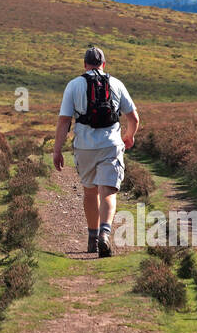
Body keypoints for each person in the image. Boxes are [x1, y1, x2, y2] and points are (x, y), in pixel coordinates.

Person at [51, 46, 140, 257]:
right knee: (107, 191)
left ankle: (92, 238)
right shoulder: (116, 83)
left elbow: (64, 121)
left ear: (85, 65)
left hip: (84, 147)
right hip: (110, 144)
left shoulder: (73, 85)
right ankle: (105, 234)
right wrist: (129, 136)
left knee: (90, 191)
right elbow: (134, 118)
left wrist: (57, 150)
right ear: (104, 65)